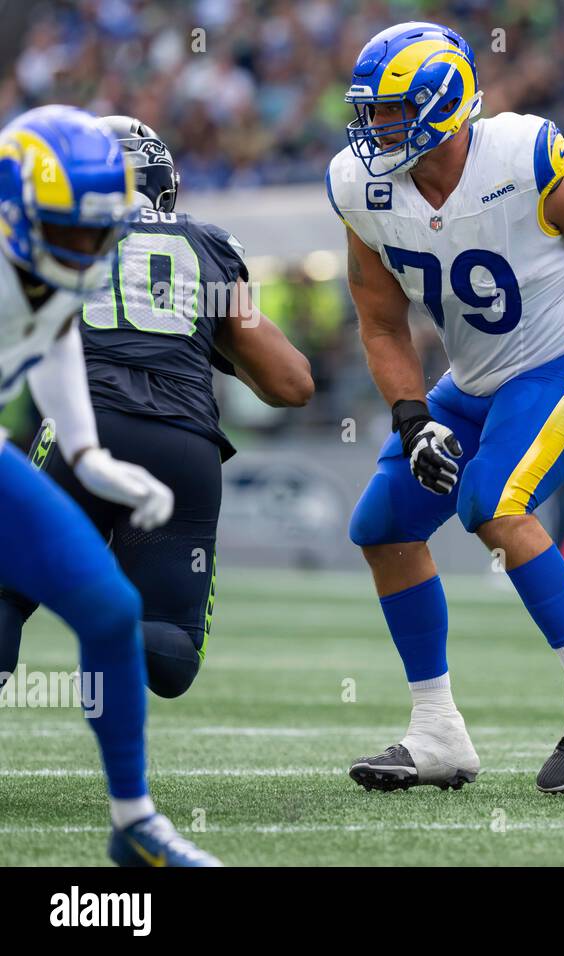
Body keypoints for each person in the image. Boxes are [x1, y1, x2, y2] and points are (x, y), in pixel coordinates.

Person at [328, 22, 564, 795]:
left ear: (442, 108)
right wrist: (412, 418)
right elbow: (380, 321)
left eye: (389, 111)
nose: (372, 129)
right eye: (369, 113)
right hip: (475, 377)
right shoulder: (359, 185)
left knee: (491, 501)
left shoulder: (524, 154)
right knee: (382, 525)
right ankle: (438, 730)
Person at [0, 115, 313, 698]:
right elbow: (291, 383)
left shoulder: (55, 227)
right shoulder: (206, 241)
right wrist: (209, 341)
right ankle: (116, 634)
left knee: (6, 593)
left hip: (79, 429)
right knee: (169, 651)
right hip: (182, 443)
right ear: (163, 184)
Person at [0, 104, 216, 865]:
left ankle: (134, 824)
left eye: (101, 228)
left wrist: (88, 455)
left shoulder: (53, 264)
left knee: (108, 606)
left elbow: (57, 337)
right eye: (72, 228)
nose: (90, 248)